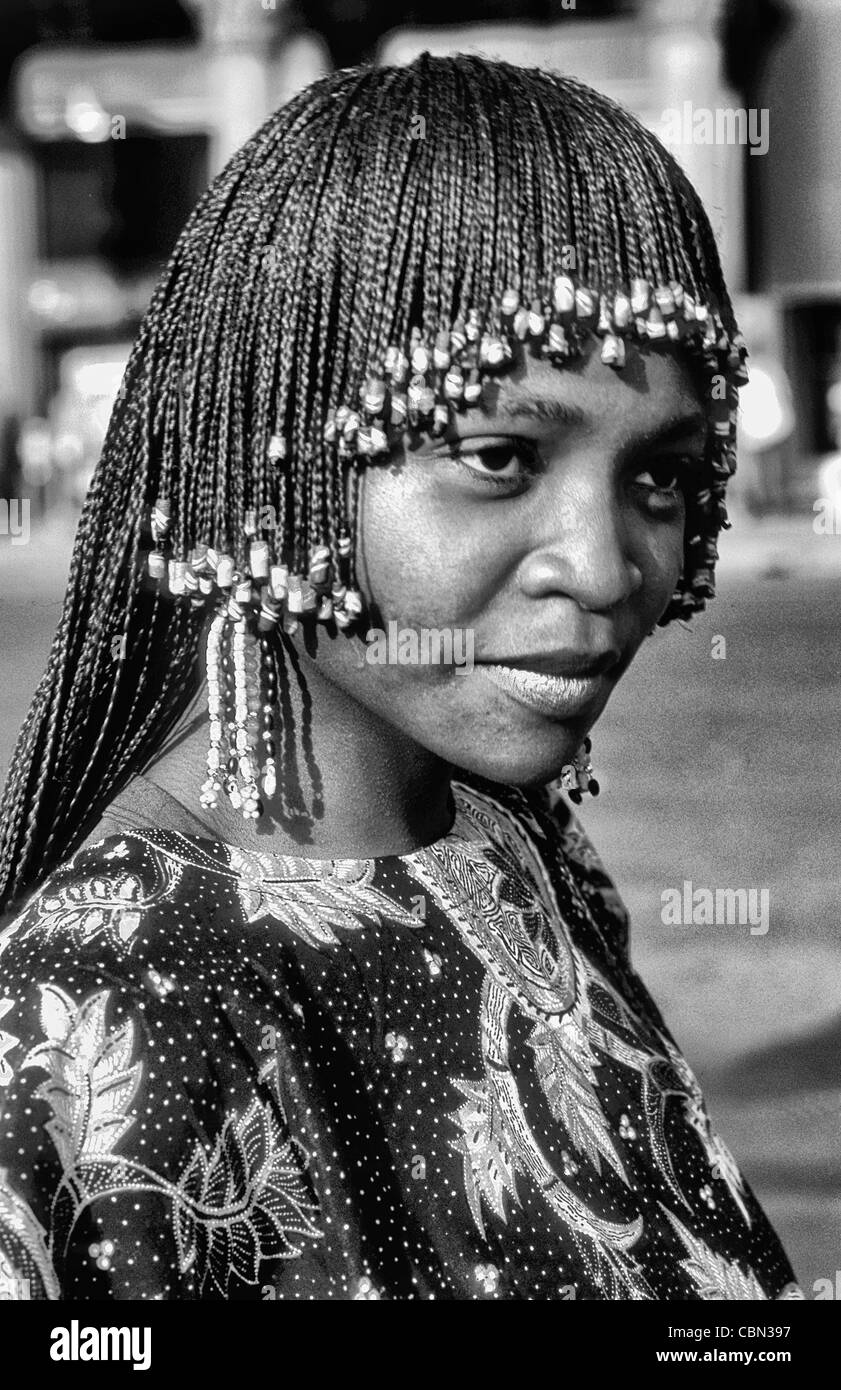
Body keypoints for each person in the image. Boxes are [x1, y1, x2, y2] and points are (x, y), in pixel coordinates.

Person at [0, 55, 803, 1301]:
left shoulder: (517, 848)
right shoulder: (101, 1013)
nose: (603, 568)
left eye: (660, 473)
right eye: (496, 455)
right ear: (264, 464)